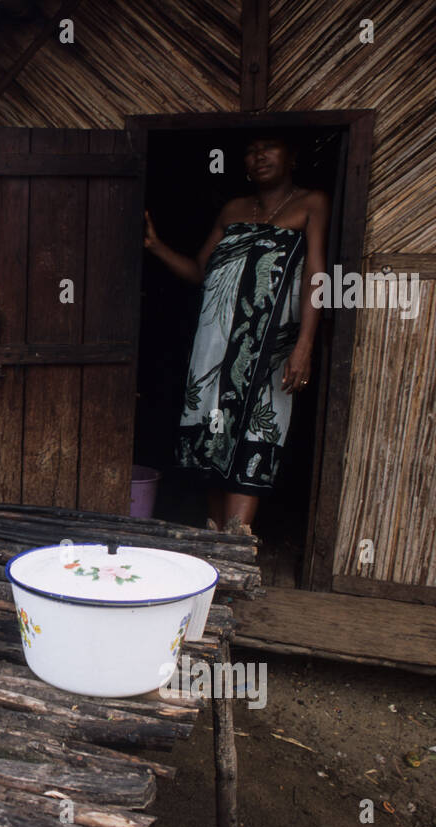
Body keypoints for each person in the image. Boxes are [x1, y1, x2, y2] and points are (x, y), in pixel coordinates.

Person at [144, 133, 328, 534]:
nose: (259, 154)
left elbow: (316, 276)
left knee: (257, 430)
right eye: (250, 149)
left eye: (270, 146)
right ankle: (217, 543)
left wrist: (305, 344)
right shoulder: (232, 210)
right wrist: (156, 246)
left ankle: (235, 545)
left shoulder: (311, 203)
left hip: (269, 348)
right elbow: (199, 271)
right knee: (213, 439)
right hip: (213, 348)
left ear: (292, 154)